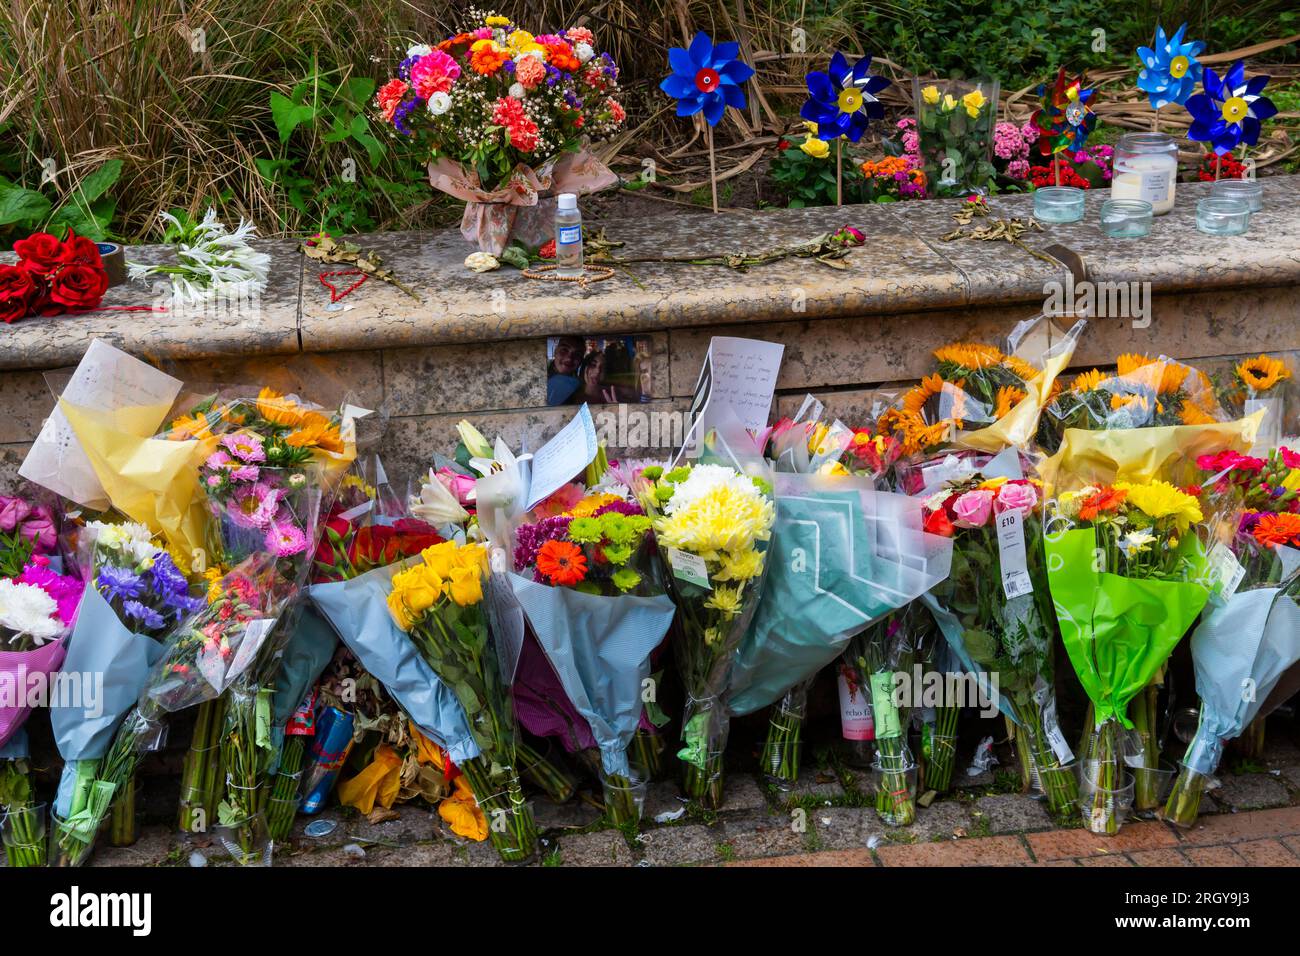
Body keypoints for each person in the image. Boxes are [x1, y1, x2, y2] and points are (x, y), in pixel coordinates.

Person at [547, 335, 583, 405]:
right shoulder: (538, 374)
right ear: (555, 351)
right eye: (564, 350)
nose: (569, 358)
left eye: (577, 354)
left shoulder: (581, 387)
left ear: (581, 360)